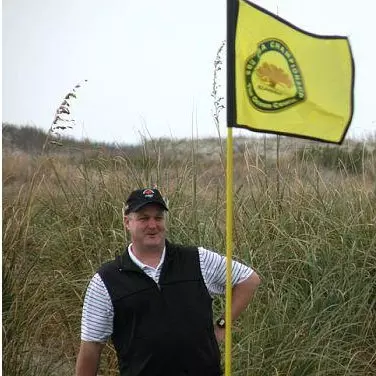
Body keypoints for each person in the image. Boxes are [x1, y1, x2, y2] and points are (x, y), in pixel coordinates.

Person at [76, 188, 261, 376]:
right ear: (127, 222)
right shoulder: (106, 280)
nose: (152, 225)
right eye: (143, 218)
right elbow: (91, 345)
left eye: (158, 217)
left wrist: (222, 325)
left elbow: (248, 280)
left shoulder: (198, 259)